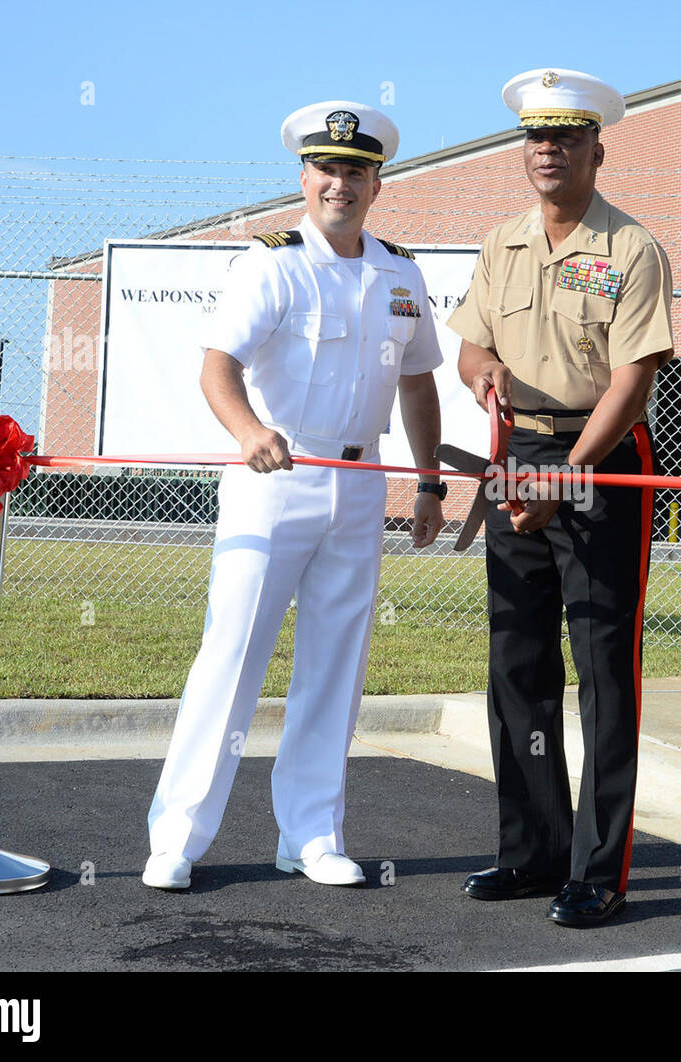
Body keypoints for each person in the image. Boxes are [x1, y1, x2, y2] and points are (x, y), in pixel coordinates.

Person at [143, 101, 446, 891]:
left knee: (335, 667)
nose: (339, 183)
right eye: (326, 169)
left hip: (360, 483)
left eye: (355, 170)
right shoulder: (269, 263)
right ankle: (176, 836)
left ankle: (312, 835)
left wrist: (427, 484)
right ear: (305, 178)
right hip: (273, 479)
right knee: (232, 656)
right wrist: (247, 432)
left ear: (378, 182)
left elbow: (417, 384)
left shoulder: (400, 272)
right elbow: (219, 368)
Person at [448, 68, 674, 927]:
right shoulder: (502, 241)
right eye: (536, 138)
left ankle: (600, 869)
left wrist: (567, 474)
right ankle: (533, 852)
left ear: (596, 150)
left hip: (601, 457)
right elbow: (471, 347)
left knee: (602, 668)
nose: (548, 150)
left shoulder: (631, 249)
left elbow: (634, 380)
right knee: (518, 660)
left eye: (566, 137)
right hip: (518, 450)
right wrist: (485, 372)